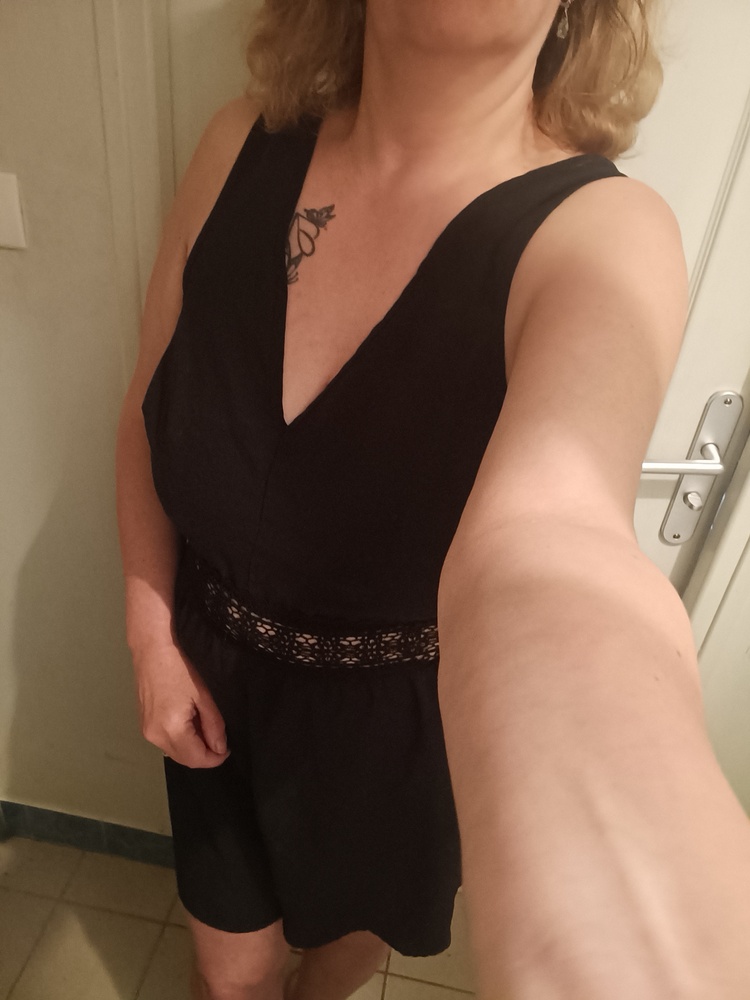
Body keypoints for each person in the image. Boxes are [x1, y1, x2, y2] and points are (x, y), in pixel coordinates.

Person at [115, 0, 750, 998]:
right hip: (209, 678)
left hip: (402, 741)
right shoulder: (238, 143)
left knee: (336, 966)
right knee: (229, 976)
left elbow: (558, 536)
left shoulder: (604, 233)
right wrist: (149, 631)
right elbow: (146, 406)